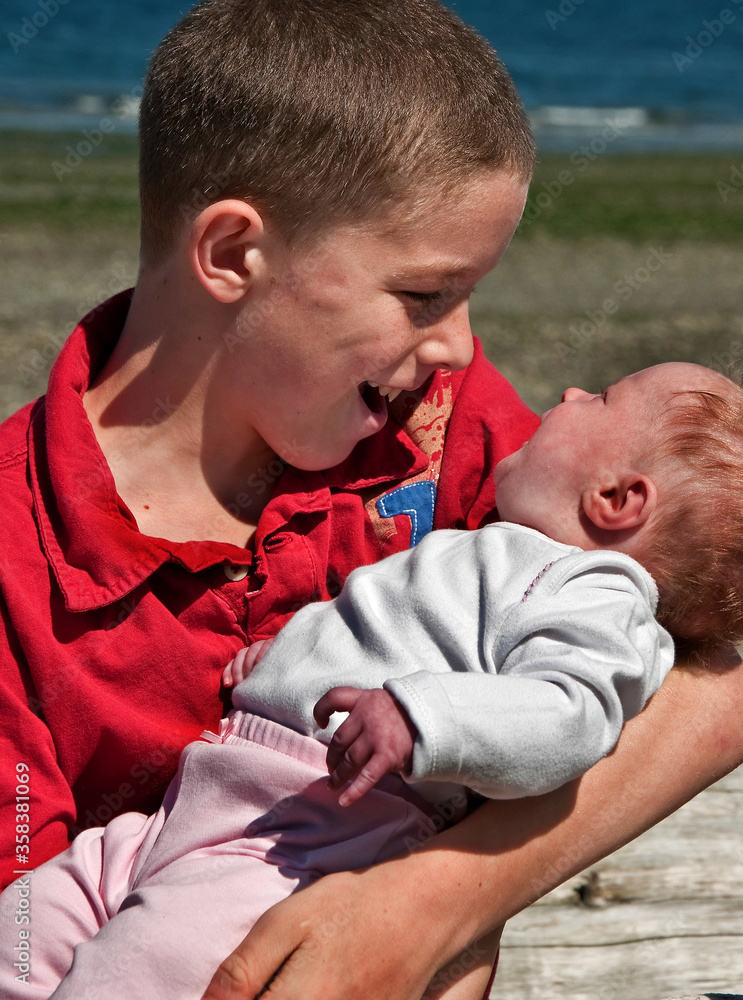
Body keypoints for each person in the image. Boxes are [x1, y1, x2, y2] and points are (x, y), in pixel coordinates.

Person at [0, 2, 742, 999]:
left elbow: (713, 685)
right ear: (232, 254)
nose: (458, 346)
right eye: (423, 295)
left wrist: (438, 903)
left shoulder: (437, 430)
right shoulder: (17, 547)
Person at [3, 362, 743, 1000]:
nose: (571, 392)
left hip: (302, 847)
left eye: (600, 400)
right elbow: (387, 626)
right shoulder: (506, 549)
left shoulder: (597, 596)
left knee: (133, 973)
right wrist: (289, 662)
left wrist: (425, 719)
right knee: (25, 932)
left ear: (616, 499)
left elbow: (571, 713)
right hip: (192, 811)